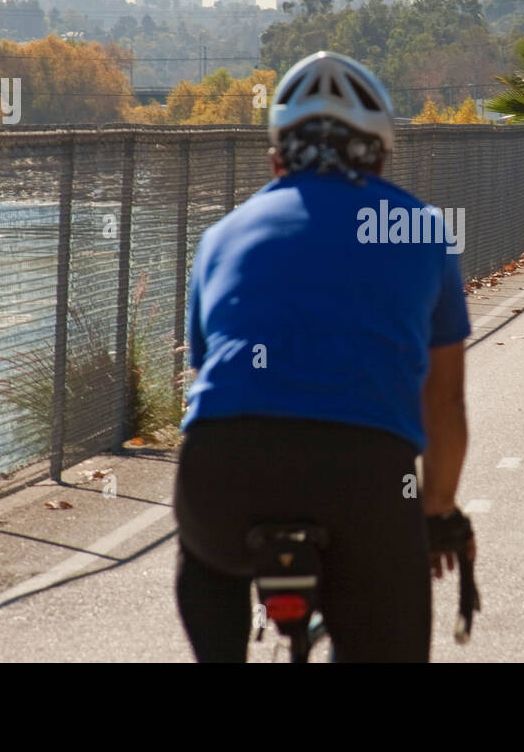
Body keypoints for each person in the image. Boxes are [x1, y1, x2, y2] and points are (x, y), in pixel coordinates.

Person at [172, 50, 475, 662]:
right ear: (381, 153)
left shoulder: (220, 236)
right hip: (365, 478)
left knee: (207, 562)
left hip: (221, 473)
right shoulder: (419, 230)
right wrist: (438, 510)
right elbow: (443, 403)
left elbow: (209, 378)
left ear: (276, 155)